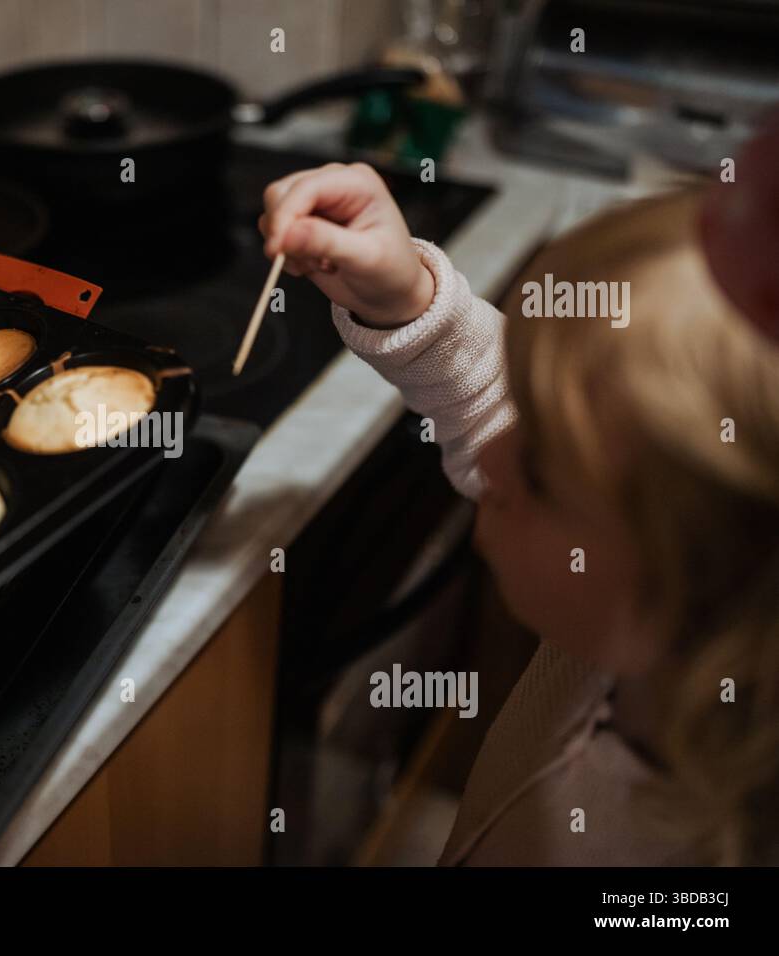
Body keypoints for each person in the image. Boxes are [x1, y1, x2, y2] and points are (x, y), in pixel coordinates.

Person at [260, 159, 779, 864]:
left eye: (538, 469)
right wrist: (409, 299)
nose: (491, 461)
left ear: (685, 581)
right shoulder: (672, 624)